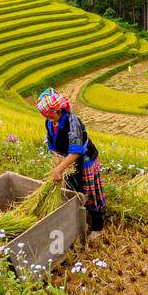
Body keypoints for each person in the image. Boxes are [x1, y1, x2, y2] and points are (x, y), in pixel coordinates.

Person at [37, 88, 106, 234]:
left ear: (58, 111)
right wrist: (57, 160)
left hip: (84, 160)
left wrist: (59, 168)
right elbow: (52, 143)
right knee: (72, 189)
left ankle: (98, 227)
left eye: (50, 116)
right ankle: (79, 220)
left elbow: (76, 151)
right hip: (66, 161)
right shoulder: (50, 123)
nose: (49, 119)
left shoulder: (72, 121)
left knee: (89, 193)